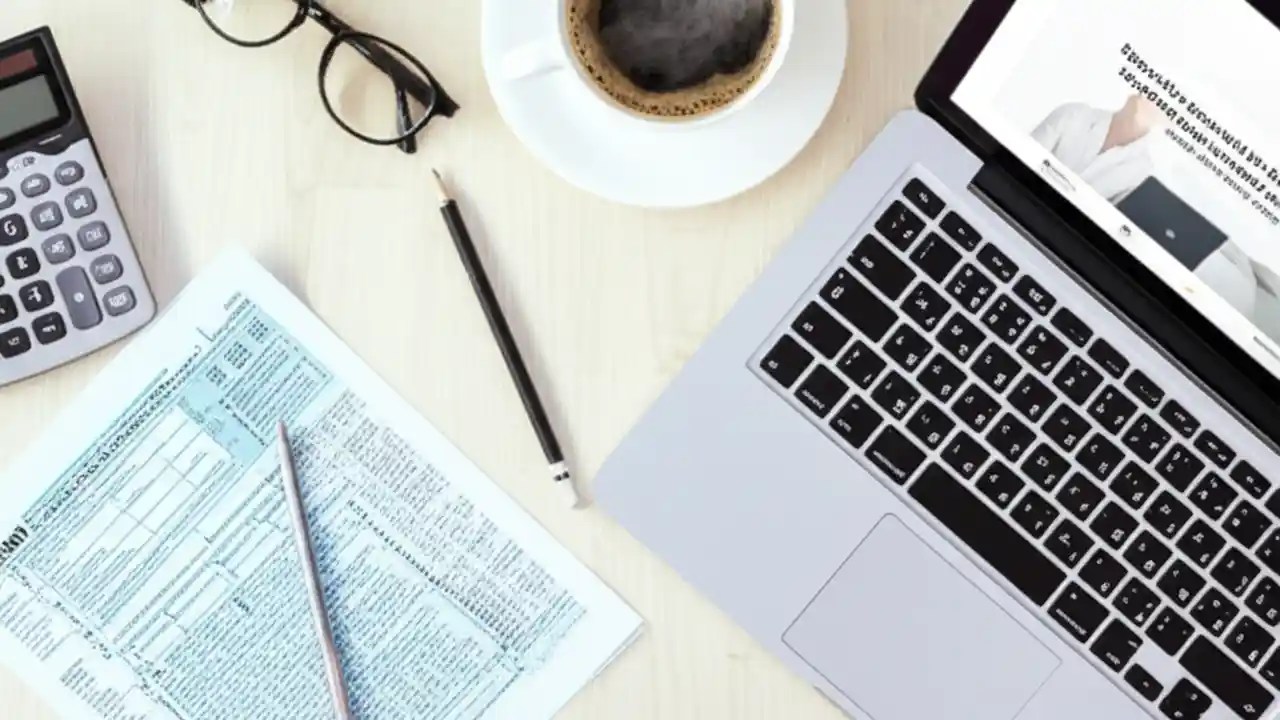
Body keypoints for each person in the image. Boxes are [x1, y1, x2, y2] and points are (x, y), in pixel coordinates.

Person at [1031, 94, 1163, 202]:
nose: (1150, 105)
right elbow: (1023, 157)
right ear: (1133, 95)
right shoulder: (1073, 114)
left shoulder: (1141, 173)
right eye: (1150, 96)